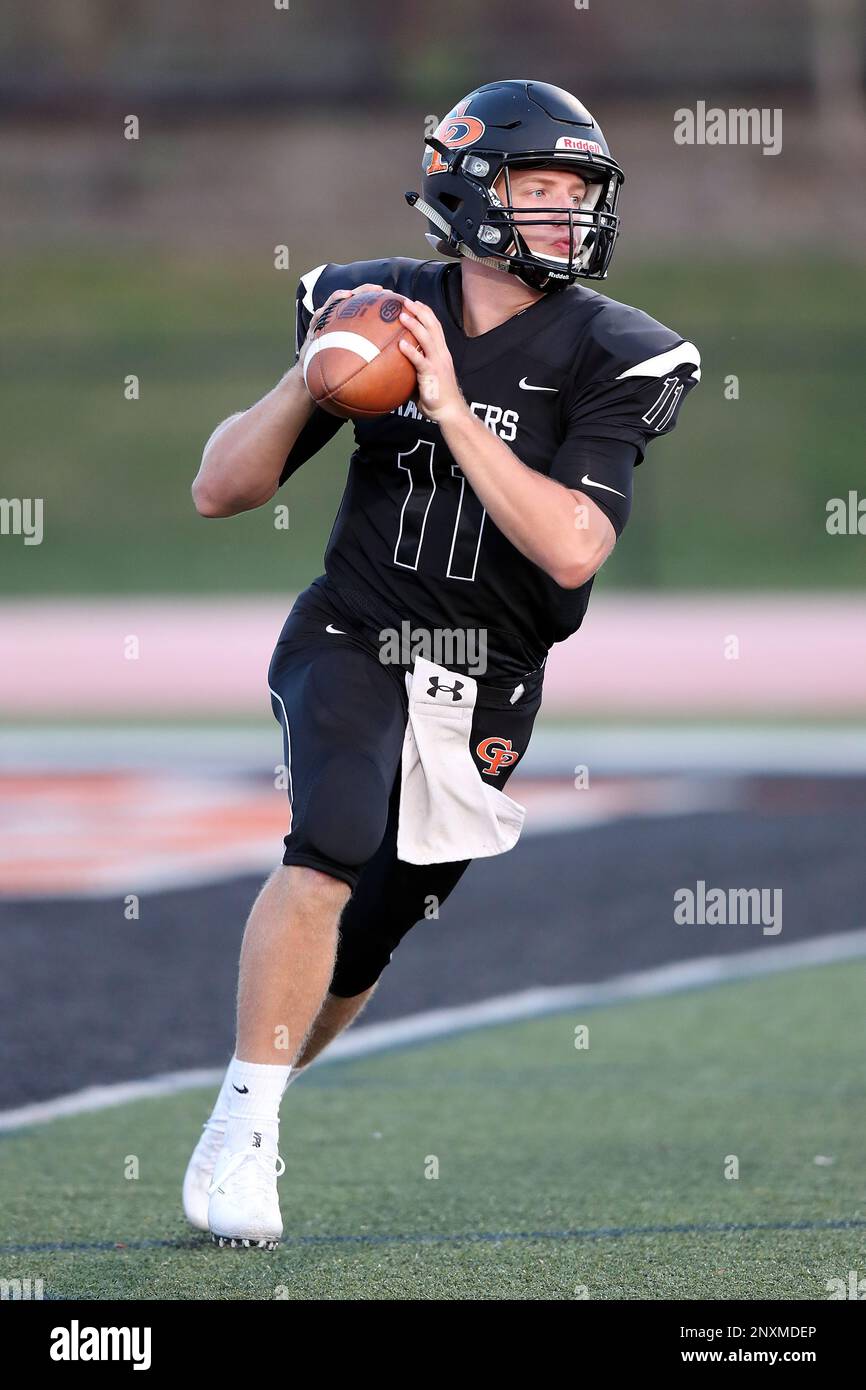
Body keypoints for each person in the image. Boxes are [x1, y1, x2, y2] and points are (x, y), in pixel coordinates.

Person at [185, 79, 701, 1248]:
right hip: (355, 629)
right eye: (540, 188)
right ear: (470, 193)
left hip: (490, 670)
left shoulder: (612, 351)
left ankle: (242, 1102)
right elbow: (219, 489)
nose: (567, 214)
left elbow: (572, 546)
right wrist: (313, 372)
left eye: (579, 192)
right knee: (332, 841)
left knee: (373, 931)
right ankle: (250, 1124)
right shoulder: (374, 303)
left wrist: (451, 409)